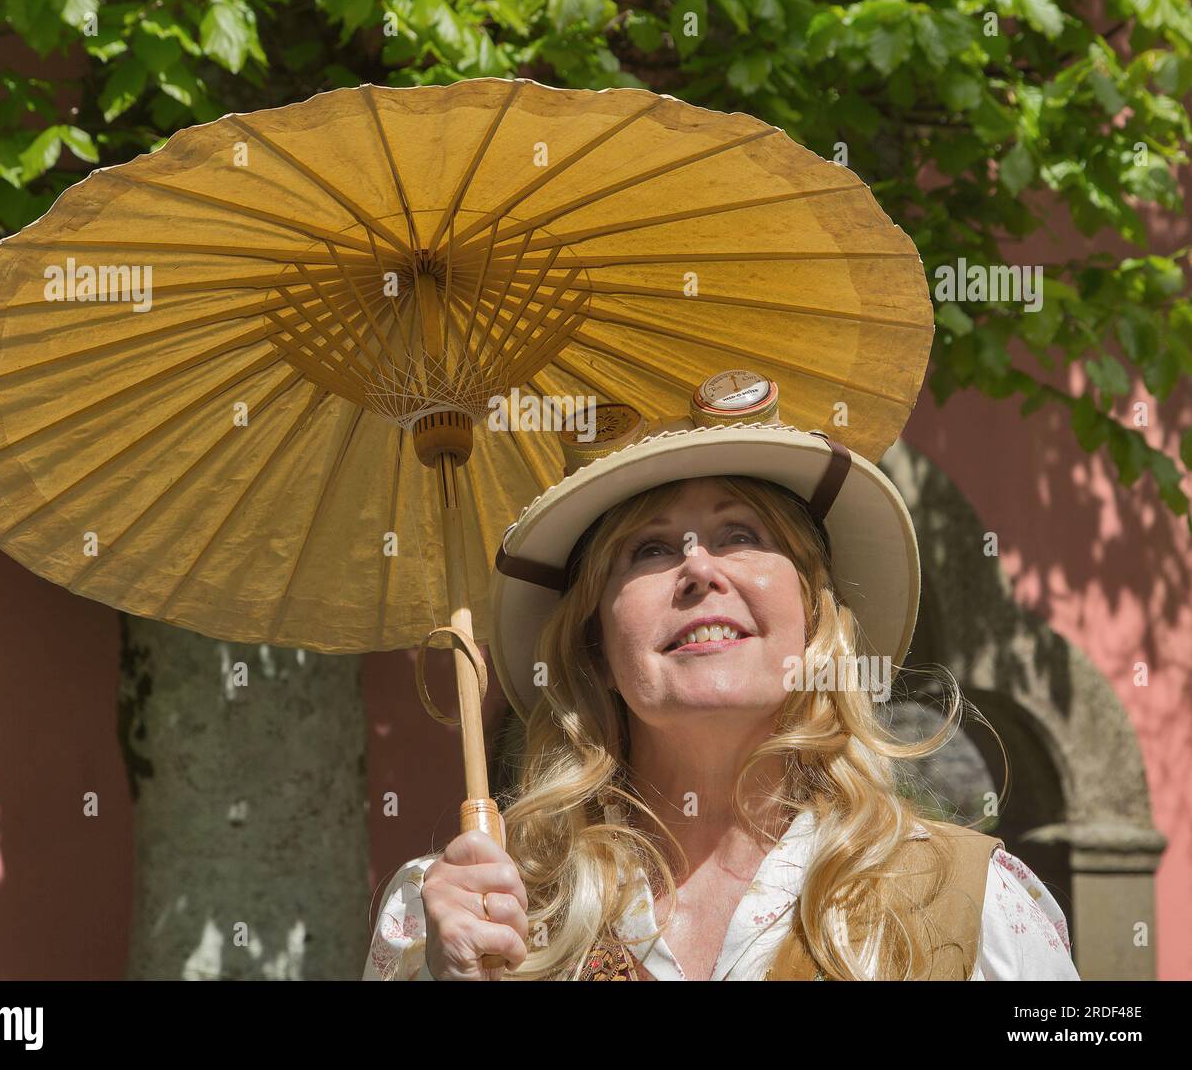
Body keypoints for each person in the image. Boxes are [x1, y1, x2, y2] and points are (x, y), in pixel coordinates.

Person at [363, 404, 1080, 982]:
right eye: (648, 548)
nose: (698, 568)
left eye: (741, 534)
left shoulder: (973, 905)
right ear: (596, 650)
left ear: (814, 622)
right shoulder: (462, 913)